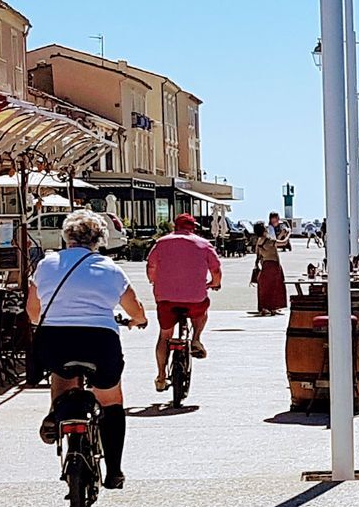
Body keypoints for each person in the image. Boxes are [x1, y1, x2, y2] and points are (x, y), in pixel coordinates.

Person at [28, 209, 147, 490]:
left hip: (55, 339)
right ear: (100, 239)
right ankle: (114, 470)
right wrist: (138, 321)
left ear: (66, 236)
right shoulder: (110, 268)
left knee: (61, 372)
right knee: (110, 400)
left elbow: (33, 312)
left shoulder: (46, 264)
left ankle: (58, 412)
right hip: (99, 341)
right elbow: (135, 309)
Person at [147, 213, 223, 392]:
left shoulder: (161, 243)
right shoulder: (204, 244)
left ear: (175, 226)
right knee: (201, 310)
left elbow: (151, 266)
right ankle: (196, 339)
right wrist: (215, 283)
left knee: (164, 336)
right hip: (194, 299)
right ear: (193, 227)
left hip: (165, 299)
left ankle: (161, 377)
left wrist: (154, 280)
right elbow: (216, 269)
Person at [252, 211, 289, 315]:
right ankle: (273, 307)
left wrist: (281, 235)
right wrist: (288, 234)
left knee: (266, 288)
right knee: (276, 286)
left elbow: (259, 253)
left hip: (265, 265)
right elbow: (284, 243)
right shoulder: (268, 240)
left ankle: (265, 307)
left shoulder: (259, 241)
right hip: (273, 265)